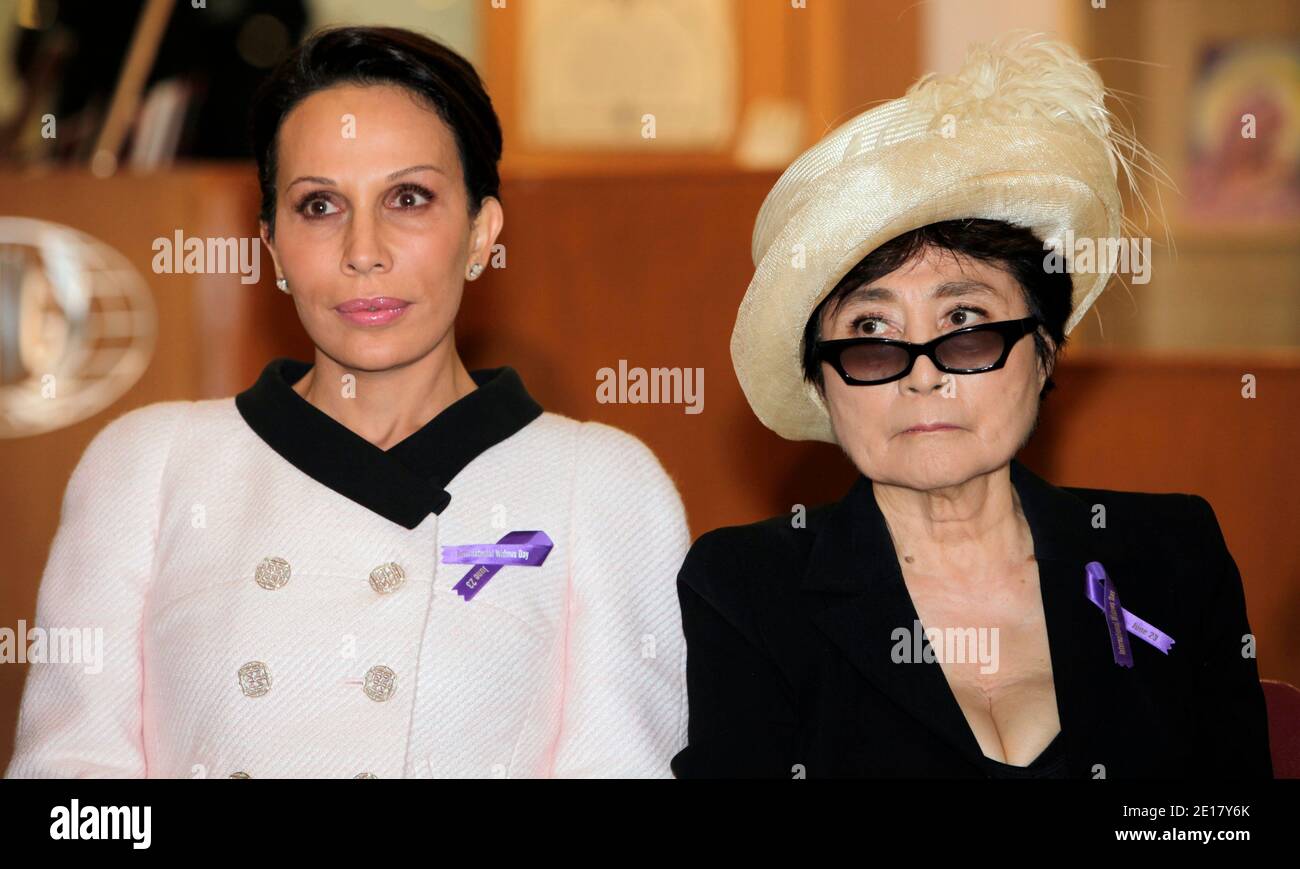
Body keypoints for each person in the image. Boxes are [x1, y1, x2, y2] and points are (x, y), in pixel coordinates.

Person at [6, 25, 689, 779]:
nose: (364, 249)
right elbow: (67, 788)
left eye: (409, 197)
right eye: (320, 206)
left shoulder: (602, 485)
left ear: (481, 232)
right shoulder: (149, 465)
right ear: (270, 244)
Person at [671, 32, 1272, 778]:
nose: (922, 375)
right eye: (872, 331)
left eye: (963, 323)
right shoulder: (747, 590)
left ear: (1046, 350)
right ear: (823, 380)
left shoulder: (1170, 555)